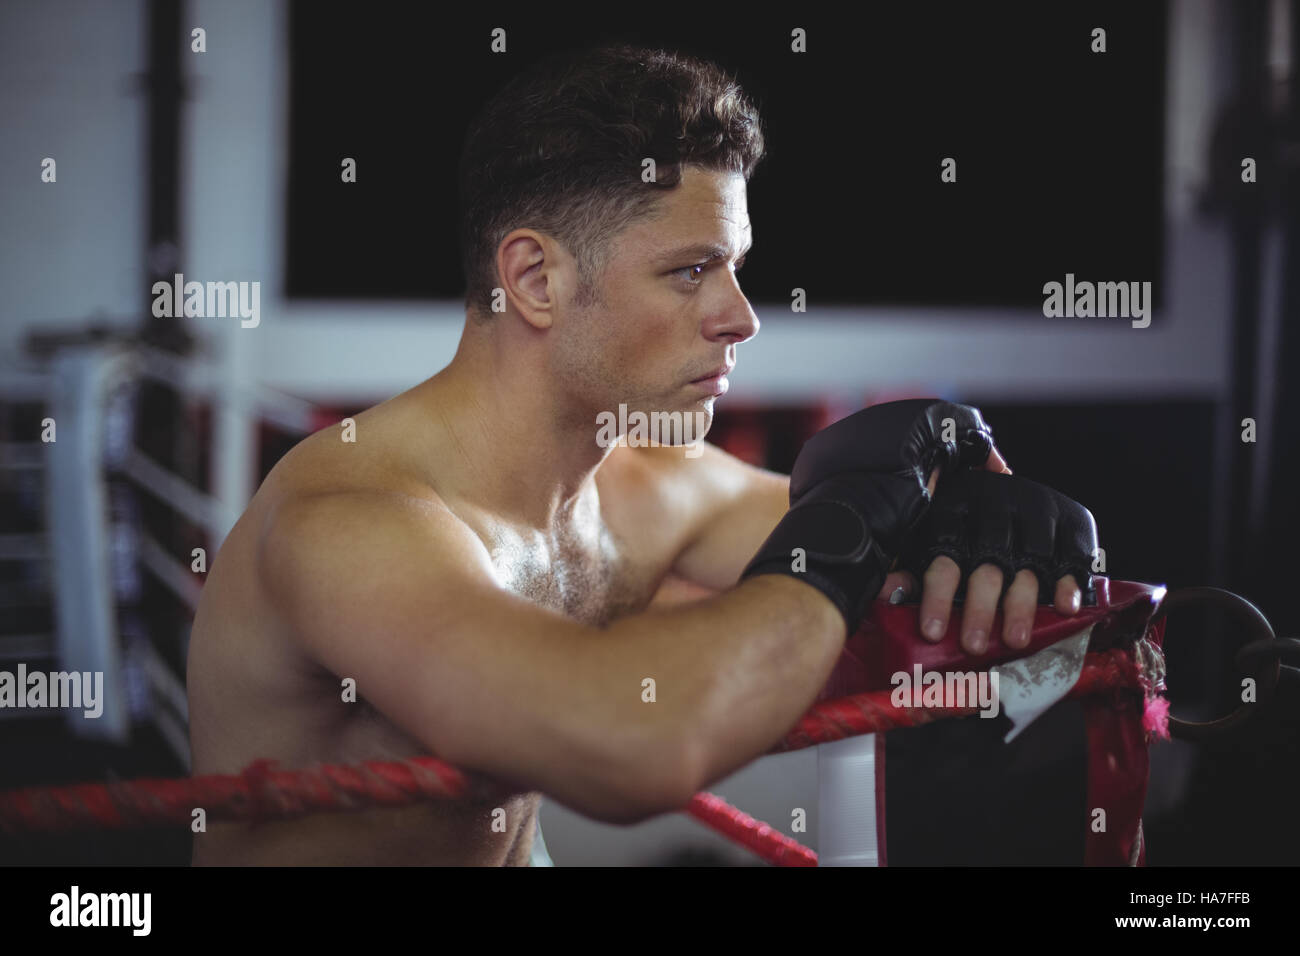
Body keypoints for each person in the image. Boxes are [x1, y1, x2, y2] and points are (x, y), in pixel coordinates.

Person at [186, 44, 1082, 865]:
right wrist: (852, 524)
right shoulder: (352, 527)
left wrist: (969, 508)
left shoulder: (643, 490)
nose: (741, 317)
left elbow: (881, 542)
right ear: (535, 280)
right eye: (690, 270)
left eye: (735, 267)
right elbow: (628, 743)